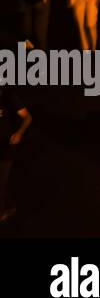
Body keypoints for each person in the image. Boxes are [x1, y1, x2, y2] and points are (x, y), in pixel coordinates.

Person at [0, 84, 32, 225]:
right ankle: (10, 205)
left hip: (6, 148)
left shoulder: (7, 96)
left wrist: (19, 133)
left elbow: (27, 117)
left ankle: (1, 214)